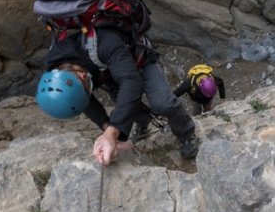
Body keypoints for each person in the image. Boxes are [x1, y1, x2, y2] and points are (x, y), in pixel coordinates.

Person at [36, 26, 199, 165]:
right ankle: (143, 123)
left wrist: (112, 133)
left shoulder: (104, 44)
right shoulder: (57, 71)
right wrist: (109, 131)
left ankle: (187, 134)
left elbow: (132, 83)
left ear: (83, 76)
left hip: (139, 60)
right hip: (110, 73)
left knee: (162, 103)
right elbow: (86, 101)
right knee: (130, 110)